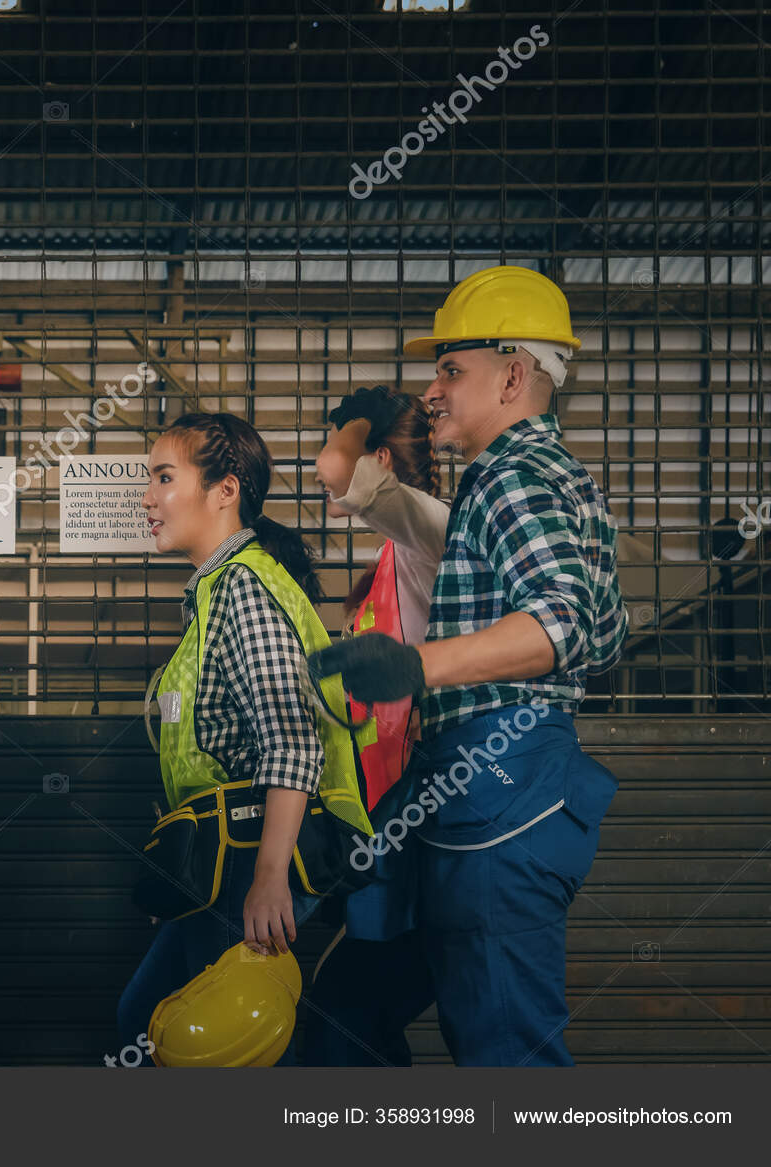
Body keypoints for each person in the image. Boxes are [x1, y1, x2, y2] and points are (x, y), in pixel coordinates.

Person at [310, 265, 628, 1066]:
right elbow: (608, 631)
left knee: (506, 1056)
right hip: (498, 781)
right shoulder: (554, 481)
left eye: (452, 368)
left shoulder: (511, 475)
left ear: (514, 375)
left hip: (500, 780)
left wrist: (416, 666)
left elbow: (562, 622)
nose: (436, 390)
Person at [116, 412, 373, 1059]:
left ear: (224, 489)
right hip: (215, 863)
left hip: (250, 866)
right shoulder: (215, 590)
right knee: (143, 1023)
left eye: (164, 477)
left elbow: (292, 741)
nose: (147, 496)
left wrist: (269, 878)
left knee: (220, 1047)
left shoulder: (246, 590)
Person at [298, 385, 449, 1066]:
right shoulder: (391, 558)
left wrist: (363, 413)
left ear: (379, 457)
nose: (322, 460)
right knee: (353, 1022)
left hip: (429, 815)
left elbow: (338, 469)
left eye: (341, 437)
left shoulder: (427, 533)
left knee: (346, 1018)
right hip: (387, 818)